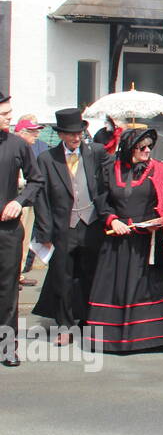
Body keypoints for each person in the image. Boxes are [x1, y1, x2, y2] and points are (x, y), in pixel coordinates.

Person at [83, 127, 163, 354]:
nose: (147, 150)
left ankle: (155, 337)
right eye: (142, 148)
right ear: (130, 149)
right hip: (119, 240)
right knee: (117, 287)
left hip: (149, 239)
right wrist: (111, 220)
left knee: (151, 287)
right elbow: (101, 199)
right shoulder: (110, 169)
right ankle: (114, 339)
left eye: (149, 147)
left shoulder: (158, 169)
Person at [30, 109, 109, 343]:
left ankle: (88, 320)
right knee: (62, 277)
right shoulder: (47, 158)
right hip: (63, 227)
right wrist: (45, 232)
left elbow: (107, 180)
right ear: (62, 134)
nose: (76, 137)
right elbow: (41, 197)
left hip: (92, 224)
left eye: (79, 132)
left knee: (90, 274)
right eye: (71, 134)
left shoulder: (95, 152)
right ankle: (64, 326)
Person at [0, 94, 41, 367]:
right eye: (5, 114)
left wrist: (18, 201)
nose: (10, 118)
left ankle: (7, 347)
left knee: (7, 289)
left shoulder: (17, 145)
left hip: (7, 230)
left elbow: (36, 180)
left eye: (10, 112)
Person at [15, 117, 47, 286]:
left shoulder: (31, 149)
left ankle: (18, 274)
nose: (36, 136)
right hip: (15, 201)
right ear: (23, 133)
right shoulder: (13, 148)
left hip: (29, 200)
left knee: (25, 239)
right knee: (15, 240)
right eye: (33, 132)